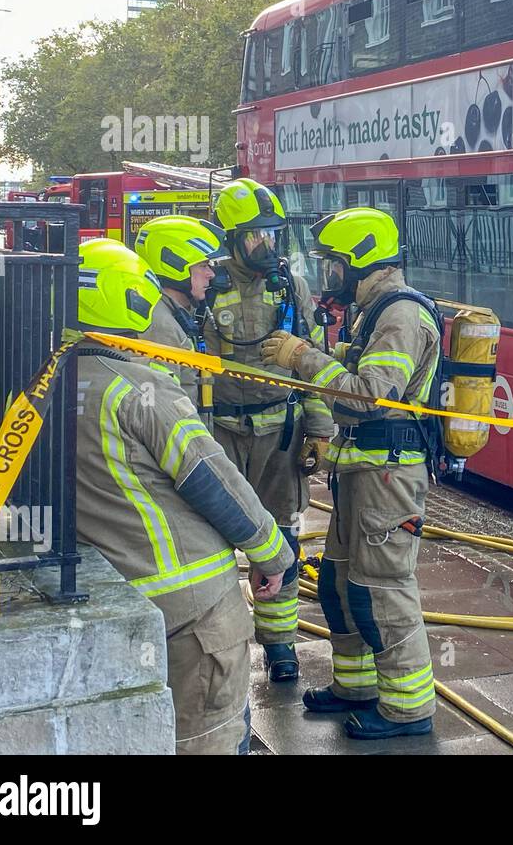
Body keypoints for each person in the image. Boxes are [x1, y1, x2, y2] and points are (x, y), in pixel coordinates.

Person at [73, 238, 295, 754]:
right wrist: (273, 552)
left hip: (116, 597)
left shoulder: (47, 382)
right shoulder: (136, 387)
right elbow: (211, 480)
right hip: (192, 612)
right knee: (208, 740)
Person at [260, 207, 439, 739]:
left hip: (389, 479)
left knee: (382, 589)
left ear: (360, 260)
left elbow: (365, 396)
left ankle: (408, 708)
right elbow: (357, 369)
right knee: (340, 586)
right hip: (362, 475)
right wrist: (315, 352)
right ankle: (357, 686)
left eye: (333, 264)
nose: (327, 274)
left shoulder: (401, 317)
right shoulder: (374, 310)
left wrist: (303, 359)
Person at [202, 179, 334, 683]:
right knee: (214, 541)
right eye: (257, 236)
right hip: (222, 435)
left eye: (273, 234)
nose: (268, 245)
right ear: (232, 238)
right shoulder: (207, 288)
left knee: (281, 539)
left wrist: (319, 431)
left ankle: (281, 647)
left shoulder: (289, 286)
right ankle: (220, 647)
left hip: (281, 437)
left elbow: (311, 362)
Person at [134, 215, 225, 426]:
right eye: (203, 265)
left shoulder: (175, 313)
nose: (211, 273)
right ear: (175, 264)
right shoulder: (161, 327)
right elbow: (164, 412)